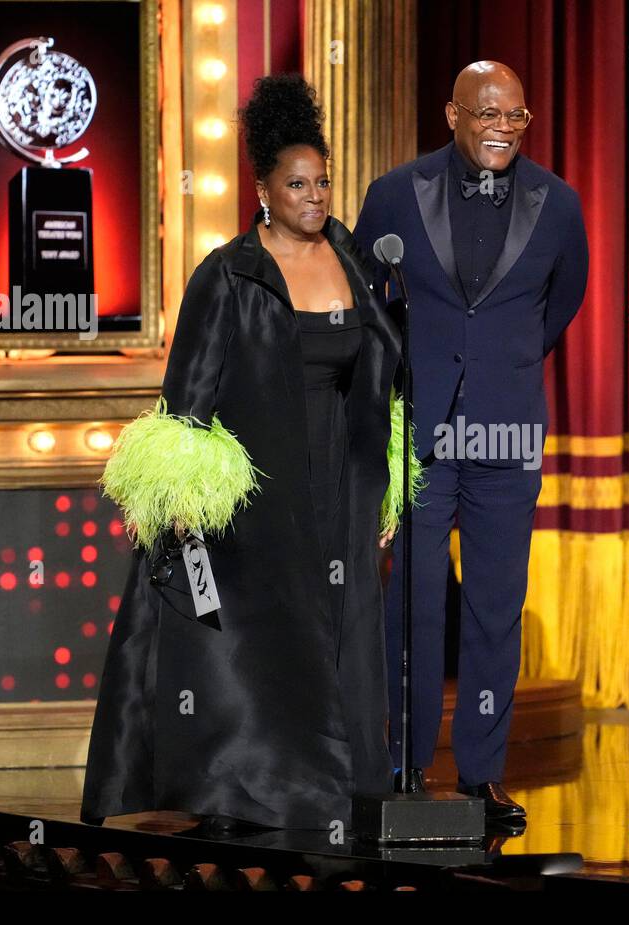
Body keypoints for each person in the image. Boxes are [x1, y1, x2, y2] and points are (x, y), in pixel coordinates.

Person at [80, 74, 419, 835]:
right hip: (261, 496)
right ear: (263, 189)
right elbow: (187, 402)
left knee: (348, 634)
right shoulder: (227, 274)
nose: (314, 195)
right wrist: (187, 512)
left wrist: (385, 487)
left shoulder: (357, 262)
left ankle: (349, 798)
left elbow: (388, 379)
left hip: (345, 481)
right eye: (297, 183)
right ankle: (262, 792)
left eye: (323, 181)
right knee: (264, 648)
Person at [354, 61, 589, 825]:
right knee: (413, 608)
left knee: (494, 609)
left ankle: (482, 776)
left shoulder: (558, 204)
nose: (502, 129)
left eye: (515, 117)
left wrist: (500, 364)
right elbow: (366, 297)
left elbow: (561, 303)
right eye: (488, 114)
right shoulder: (394, 193)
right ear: (453, 113)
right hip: (420, 434)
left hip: (507, 430)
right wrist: (414, 363)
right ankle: (406, 766)